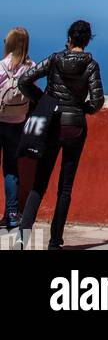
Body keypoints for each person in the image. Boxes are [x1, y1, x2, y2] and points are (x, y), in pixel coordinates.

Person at [15, 19, 104, 250]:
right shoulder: (91, 66)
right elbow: (97, 102)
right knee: (65, 188)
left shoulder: (55, 59)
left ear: (70, 38)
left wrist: (43, 100)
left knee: (39, 183)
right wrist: (81, 108)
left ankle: (22, 240)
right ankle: (55, 242)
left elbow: (24, 80)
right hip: (75, 127)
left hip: (52, 125)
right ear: (87, 40)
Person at [0, 28, 34, 231]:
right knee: (11, 169)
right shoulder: (30, 68)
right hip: (18, 122)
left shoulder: (1, 66)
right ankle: (12, 215)